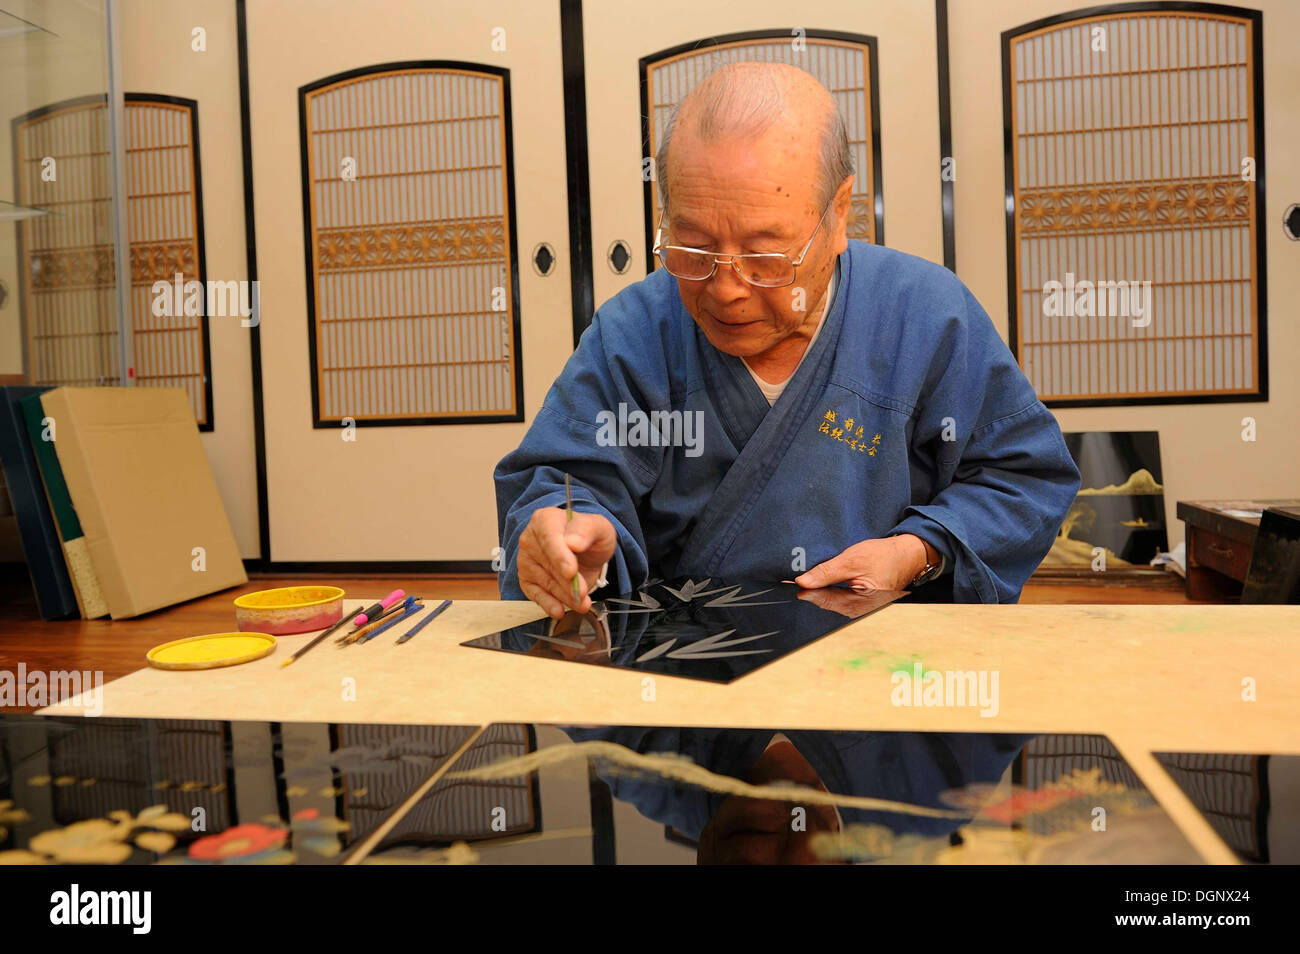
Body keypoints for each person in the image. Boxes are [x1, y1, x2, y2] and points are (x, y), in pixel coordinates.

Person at [494, 62, 1080, 618]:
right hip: (688, 689)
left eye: (765, 255)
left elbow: (1023, 478)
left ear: (840, 213)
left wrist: (917, 551)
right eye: (693, 247)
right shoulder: (634, 331)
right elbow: (561, 485)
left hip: (881, 676)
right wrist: (568, 543)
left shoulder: (925, 315)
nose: (725, 289)